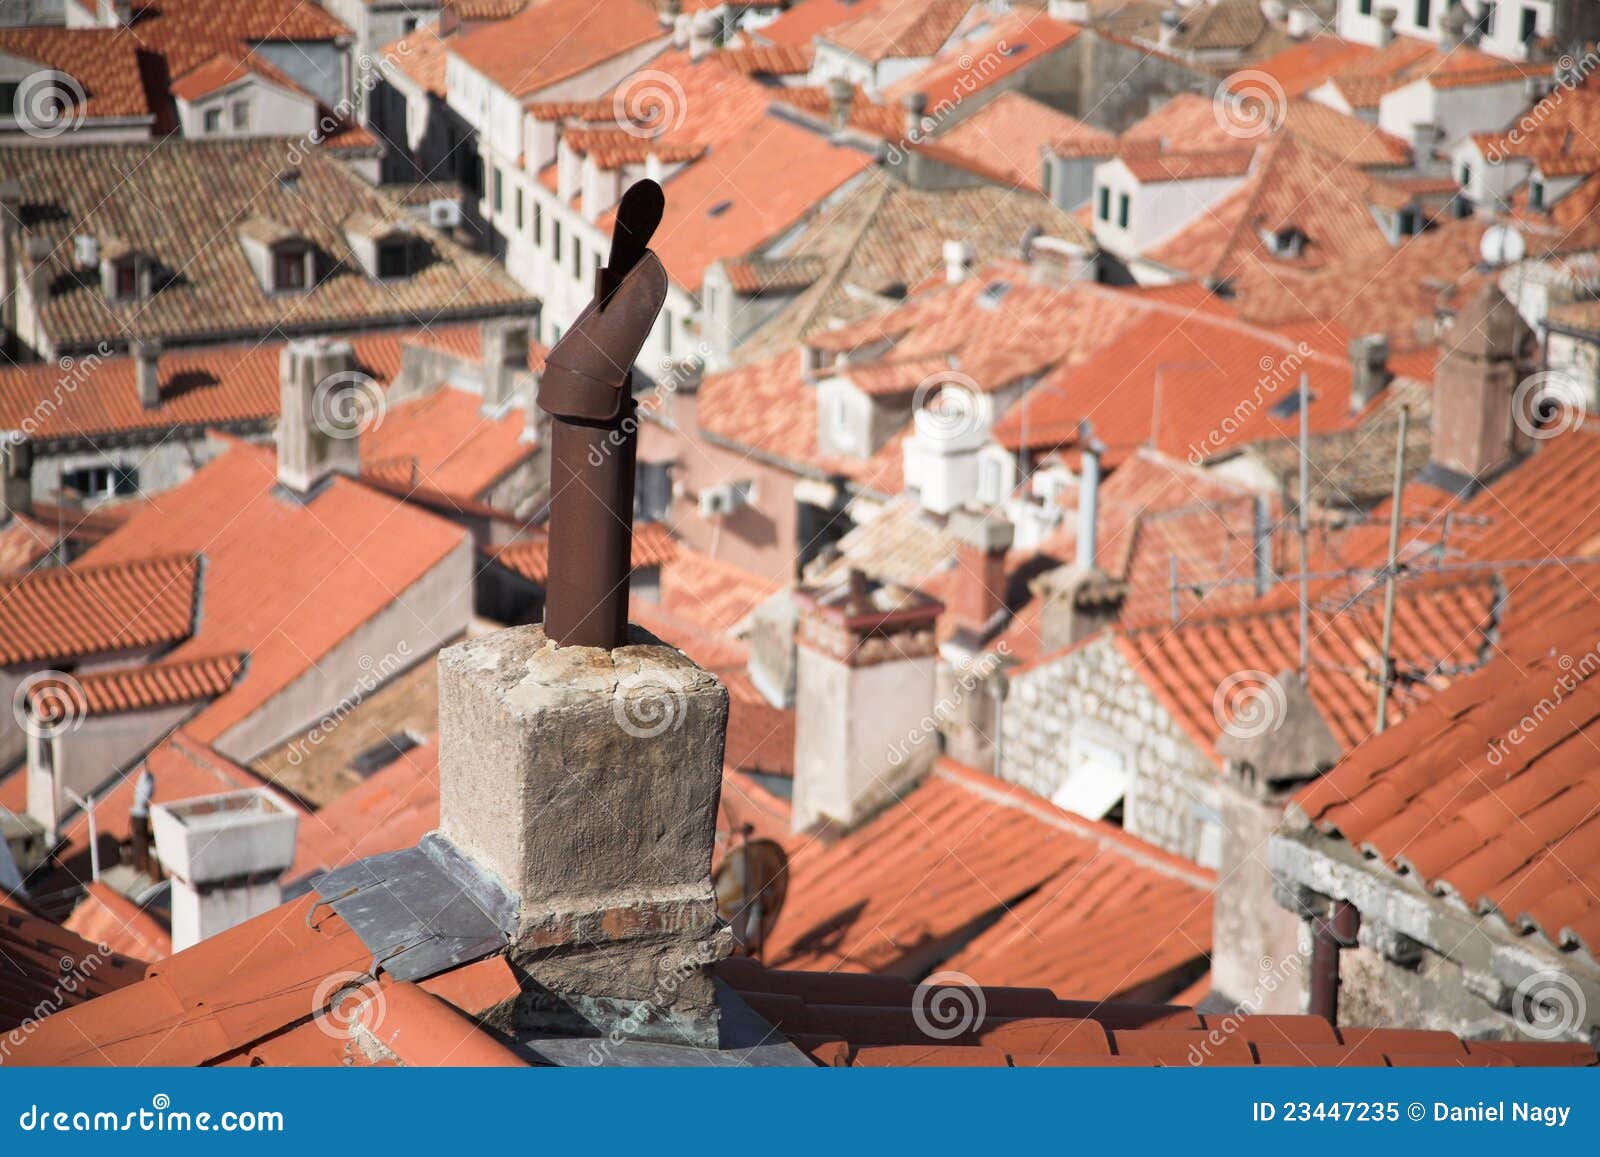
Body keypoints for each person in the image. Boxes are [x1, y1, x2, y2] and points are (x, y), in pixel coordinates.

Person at [128, 765, 156, 878]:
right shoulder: (145, 782)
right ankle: (140, 868)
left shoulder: (147, 780)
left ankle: (140, 868)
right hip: (139, 810)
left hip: (140, 809)